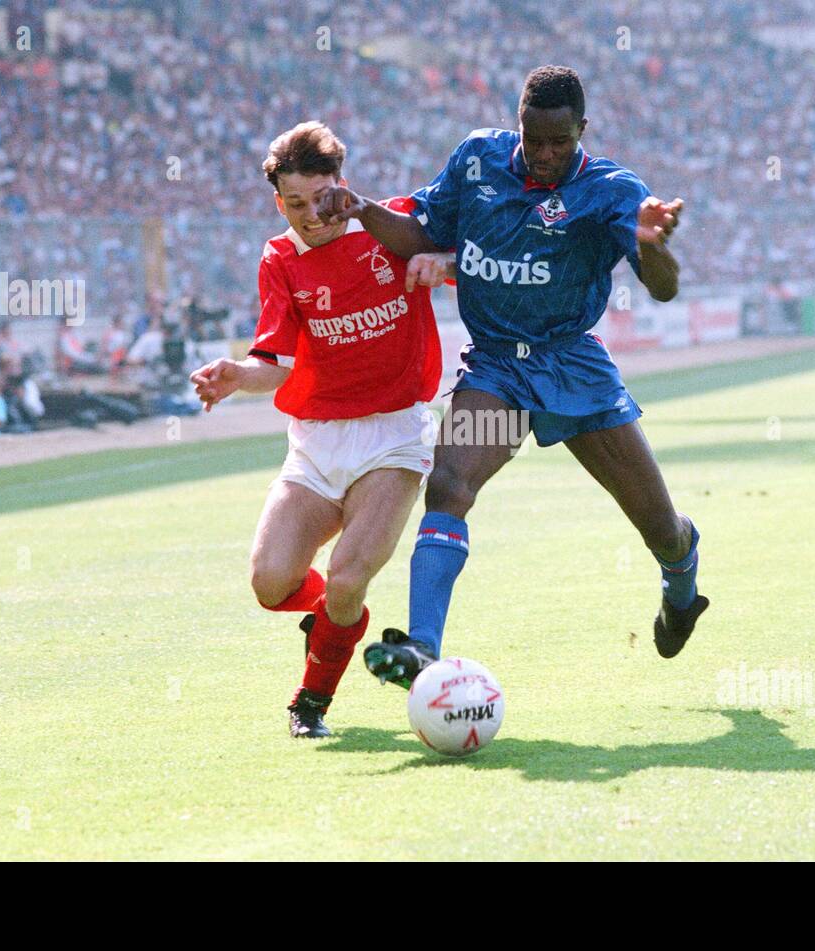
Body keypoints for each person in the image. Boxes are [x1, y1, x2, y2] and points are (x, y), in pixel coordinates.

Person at [314, 65, 708, 686]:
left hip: (572, 366)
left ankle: (682, 581)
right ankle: (422, 649)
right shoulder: (478, 159)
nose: (545, 154)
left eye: (561, 141)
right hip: (497, 364)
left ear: (583, 129)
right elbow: (423, 233)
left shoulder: (611, 190)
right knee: (448, 485)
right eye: (534, 138)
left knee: (658, 525)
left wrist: (652, 243)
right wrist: (363, 208)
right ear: (517, 122)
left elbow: (663, 290)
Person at [188, 121, 452, 738]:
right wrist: (235, 376)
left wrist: (438, 261)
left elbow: (470, 265)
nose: (311, 215)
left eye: (321, 198)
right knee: (270, 581)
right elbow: (272, 364)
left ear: (343, 185)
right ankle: (342, 620)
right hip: (315, 442)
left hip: (393, 435)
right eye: (295, 204)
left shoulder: (393, 227)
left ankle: (310, 703)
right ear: (279, 202)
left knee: (348, 576)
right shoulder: (279, 258)